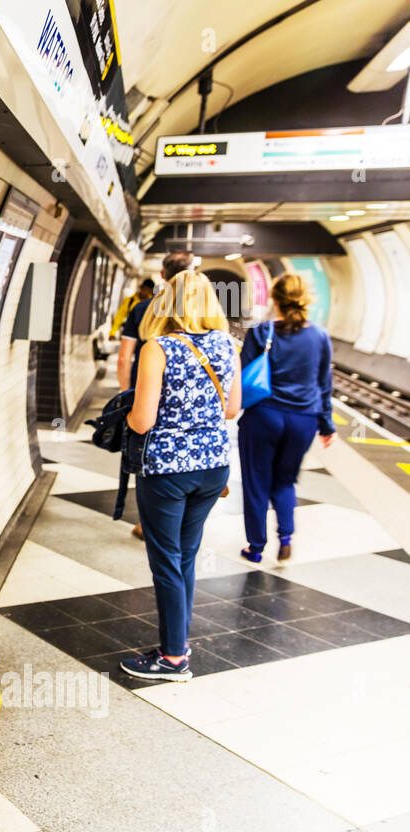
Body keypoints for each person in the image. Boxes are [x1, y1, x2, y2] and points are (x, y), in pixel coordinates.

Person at [120, 271, 241, 681]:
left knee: (166, 561)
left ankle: (173, 658)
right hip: (213, 467)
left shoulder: (159, 347)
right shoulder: (228, 344)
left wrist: (130, 414)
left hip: (168, 470)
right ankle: (178, 644)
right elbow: (231, 409)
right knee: (185, 555)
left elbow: (142, 420)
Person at [237, 273, 336, 563]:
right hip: (303, 420)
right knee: (285, 481)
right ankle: (286, 537)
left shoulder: (261, 331)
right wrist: (326, 425)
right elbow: (324, 384)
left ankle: (255, 547)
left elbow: (242, 375)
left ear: (274, 299)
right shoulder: (319, 335)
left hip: (263, 416)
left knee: (256, 480)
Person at [116, 250, 194, 541]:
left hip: (145, 394)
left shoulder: (143, 310)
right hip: (188, 401)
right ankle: (181, 520)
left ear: (162, 275)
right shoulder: (201, 317)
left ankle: (146, 523)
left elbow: (125, 357)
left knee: (144, 456)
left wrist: (126, 396)